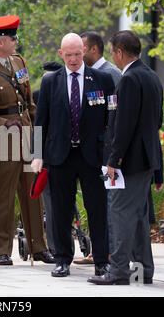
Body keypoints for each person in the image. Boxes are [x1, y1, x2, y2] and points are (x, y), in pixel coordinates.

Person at [0, 15, 53, 265]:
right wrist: (2, 123)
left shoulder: (18, 62)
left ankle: (39, 247)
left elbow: (28, 104)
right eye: (12, 38)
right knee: (3, 197)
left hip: (27, 135)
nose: (16, 42)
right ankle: (2, 250)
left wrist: (42, 131)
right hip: (1, 139)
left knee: (33, 193)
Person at [31, 33, 115, 277]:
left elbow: (112, 119)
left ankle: (101, 260)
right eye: (68, 55)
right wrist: (38, 154)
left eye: (78, 54)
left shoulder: (102, 79)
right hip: (61, 156)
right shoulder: (50, 82)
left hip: (92, 156)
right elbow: (41, 121)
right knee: (61, 210)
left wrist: (110, 155)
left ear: (84, 52)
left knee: (97, 209)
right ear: (61, 54)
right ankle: (62, 260)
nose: (74, 59)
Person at [88, 30, 163, 285]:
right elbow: (156, 124)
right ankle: (144, 270)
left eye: (112, 52)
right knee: (139, 216)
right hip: (145, 159)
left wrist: (113, 160)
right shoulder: (152, 77)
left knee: (119, 212)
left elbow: (124, 125)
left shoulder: (129, 79)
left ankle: (119, 270)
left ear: (119, 52)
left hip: (129, 161)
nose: (113, 57)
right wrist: (158, 168)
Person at [74, 31, 122, 265]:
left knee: (106, 203)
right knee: (95, 203)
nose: (79, 53)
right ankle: (98, 251)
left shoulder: (110, 74)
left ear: (93, 49)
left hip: (105, 151)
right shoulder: (85, 74)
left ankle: (110, 252)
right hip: (87, 152)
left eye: (82, 48)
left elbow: (114, 114)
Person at [32, 61, 63, 258]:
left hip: (68, 156)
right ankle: (54, 246)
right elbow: (37, 127)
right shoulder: (35, 97)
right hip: (47, 158)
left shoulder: (67, 95)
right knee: (50, 203)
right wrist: (37, 155)